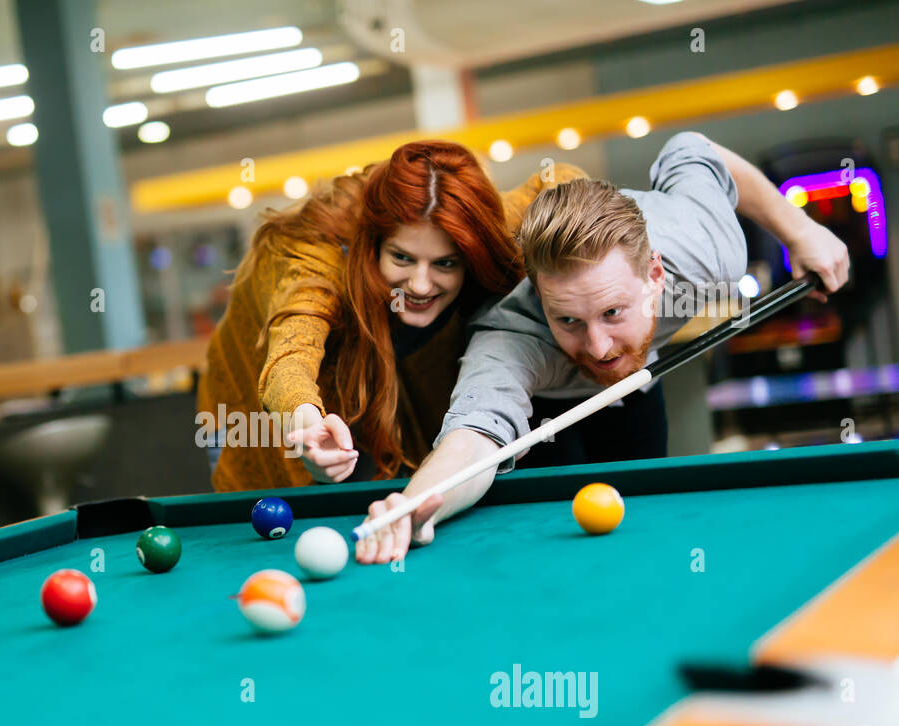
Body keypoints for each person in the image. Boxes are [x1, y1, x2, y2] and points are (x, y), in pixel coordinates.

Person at [356, 131, 850, 564]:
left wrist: (799, 229)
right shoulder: (512, 334)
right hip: (543, 414)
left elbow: (694, 149)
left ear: (654, 276)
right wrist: (417, 502)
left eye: (613, 312)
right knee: (548, 538)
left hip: (636, 387)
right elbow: (475, 436)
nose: (596, 346)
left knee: (640, 524)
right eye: (568, 319)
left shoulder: (706, 249)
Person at [196, 141, 586, 492]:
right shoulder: (314, 255)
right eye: (402, 257)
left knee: (418, 492)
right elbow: (289, 361)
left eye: (445, 263)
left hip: (391, 384)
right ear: (374, 243)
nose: (419, 285)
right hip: (253, 415)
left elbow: (565, 182)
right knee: (281, 516)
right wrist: (306, 425)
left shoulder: (487, 223)